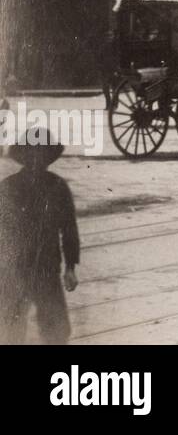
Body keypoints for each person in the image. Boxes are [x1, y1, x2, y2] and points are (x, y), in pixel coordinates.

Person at [0, 139, 80, 345]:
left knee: (53, 329)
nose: (36, 160)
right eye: (32, 155)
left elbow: (69, 228)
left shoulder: (56, 186)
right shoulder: (9, 187)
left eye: (40, 155)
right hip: (20, 268)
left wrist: (71, 267)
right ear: (24, 158)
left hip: (42, 267)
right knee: (15, 329)